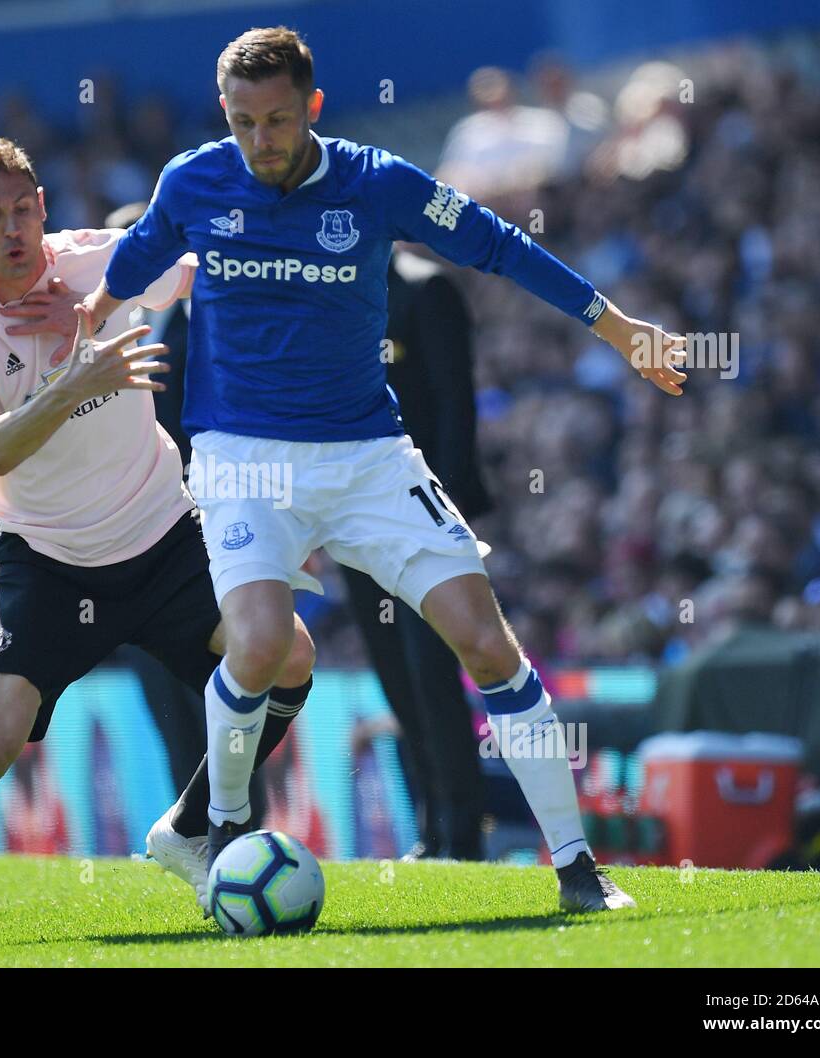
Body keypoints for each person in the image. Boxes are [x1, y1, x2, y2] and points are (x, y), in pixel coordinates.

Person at [81, 27, 689, 912]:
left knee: (486, 642)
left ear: (313, 108)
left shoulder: (377, 183)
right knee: (256, 645)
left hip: (368, 455)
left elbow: (500, 246)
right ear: (225, 115)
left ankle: (576, 870)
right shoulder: (191, 183)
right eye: (245, 122)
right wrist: (68, 348)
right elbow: (119, 275)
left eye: (279, 120)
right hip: (242, 456)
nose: (262, 140)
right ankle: (214, 836)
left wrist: (619, 325)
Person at [0, 137, 315, 952]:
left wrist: (96, 309)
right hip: (48, 558)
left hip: (163, 534)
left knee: (288, 654)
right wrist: (76, 377)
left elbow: (225, 271)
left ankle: (186, 827)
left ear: (44, 202)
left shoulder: (100, 263)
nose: (14, 231)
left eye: (24, 209)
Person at [340, 249, 491, 861]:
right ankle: (431, 826)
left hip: (422, 518)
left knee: (431, 670)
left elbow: (457, 406)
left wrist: (444, 514)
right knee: (395, 673)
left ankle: (461, 830)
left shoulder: (428, 292)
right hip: (355, 517)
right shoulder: (338, 299)